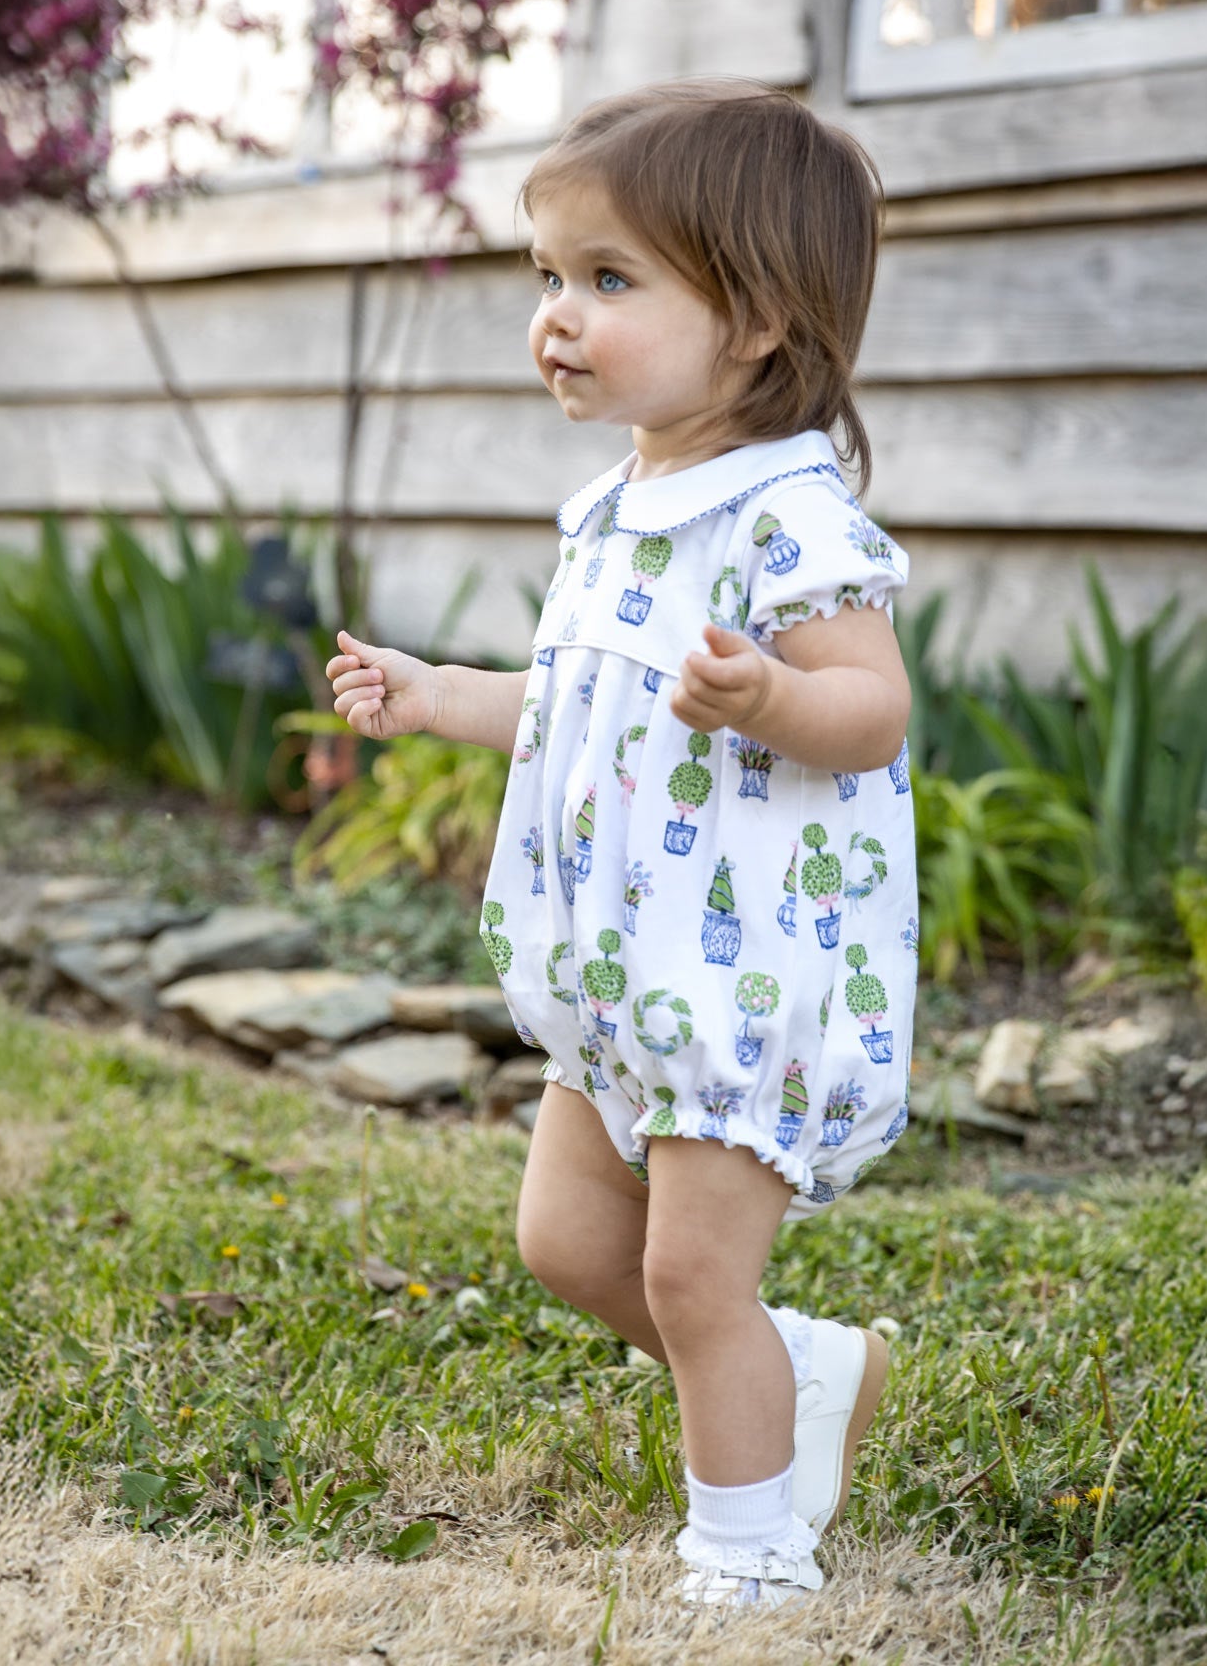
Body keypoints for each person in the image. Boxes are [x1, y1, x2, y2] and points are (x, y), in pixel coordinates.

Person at [325, 78, 915, 1608]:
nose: (559, 317)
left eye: (609, 280)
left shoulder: (785, 510)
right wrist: (434, 692)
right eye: (548, 278)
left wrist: (773, 693)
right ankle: (800, 1375)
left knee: (687, 1274)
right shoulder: (616, 505)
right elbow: (575, 701)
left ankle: (752, 1560)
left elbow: (873, 707)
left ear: (761, 321)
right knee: (570, 1243)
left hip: (744, 967)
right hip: (622, 962)